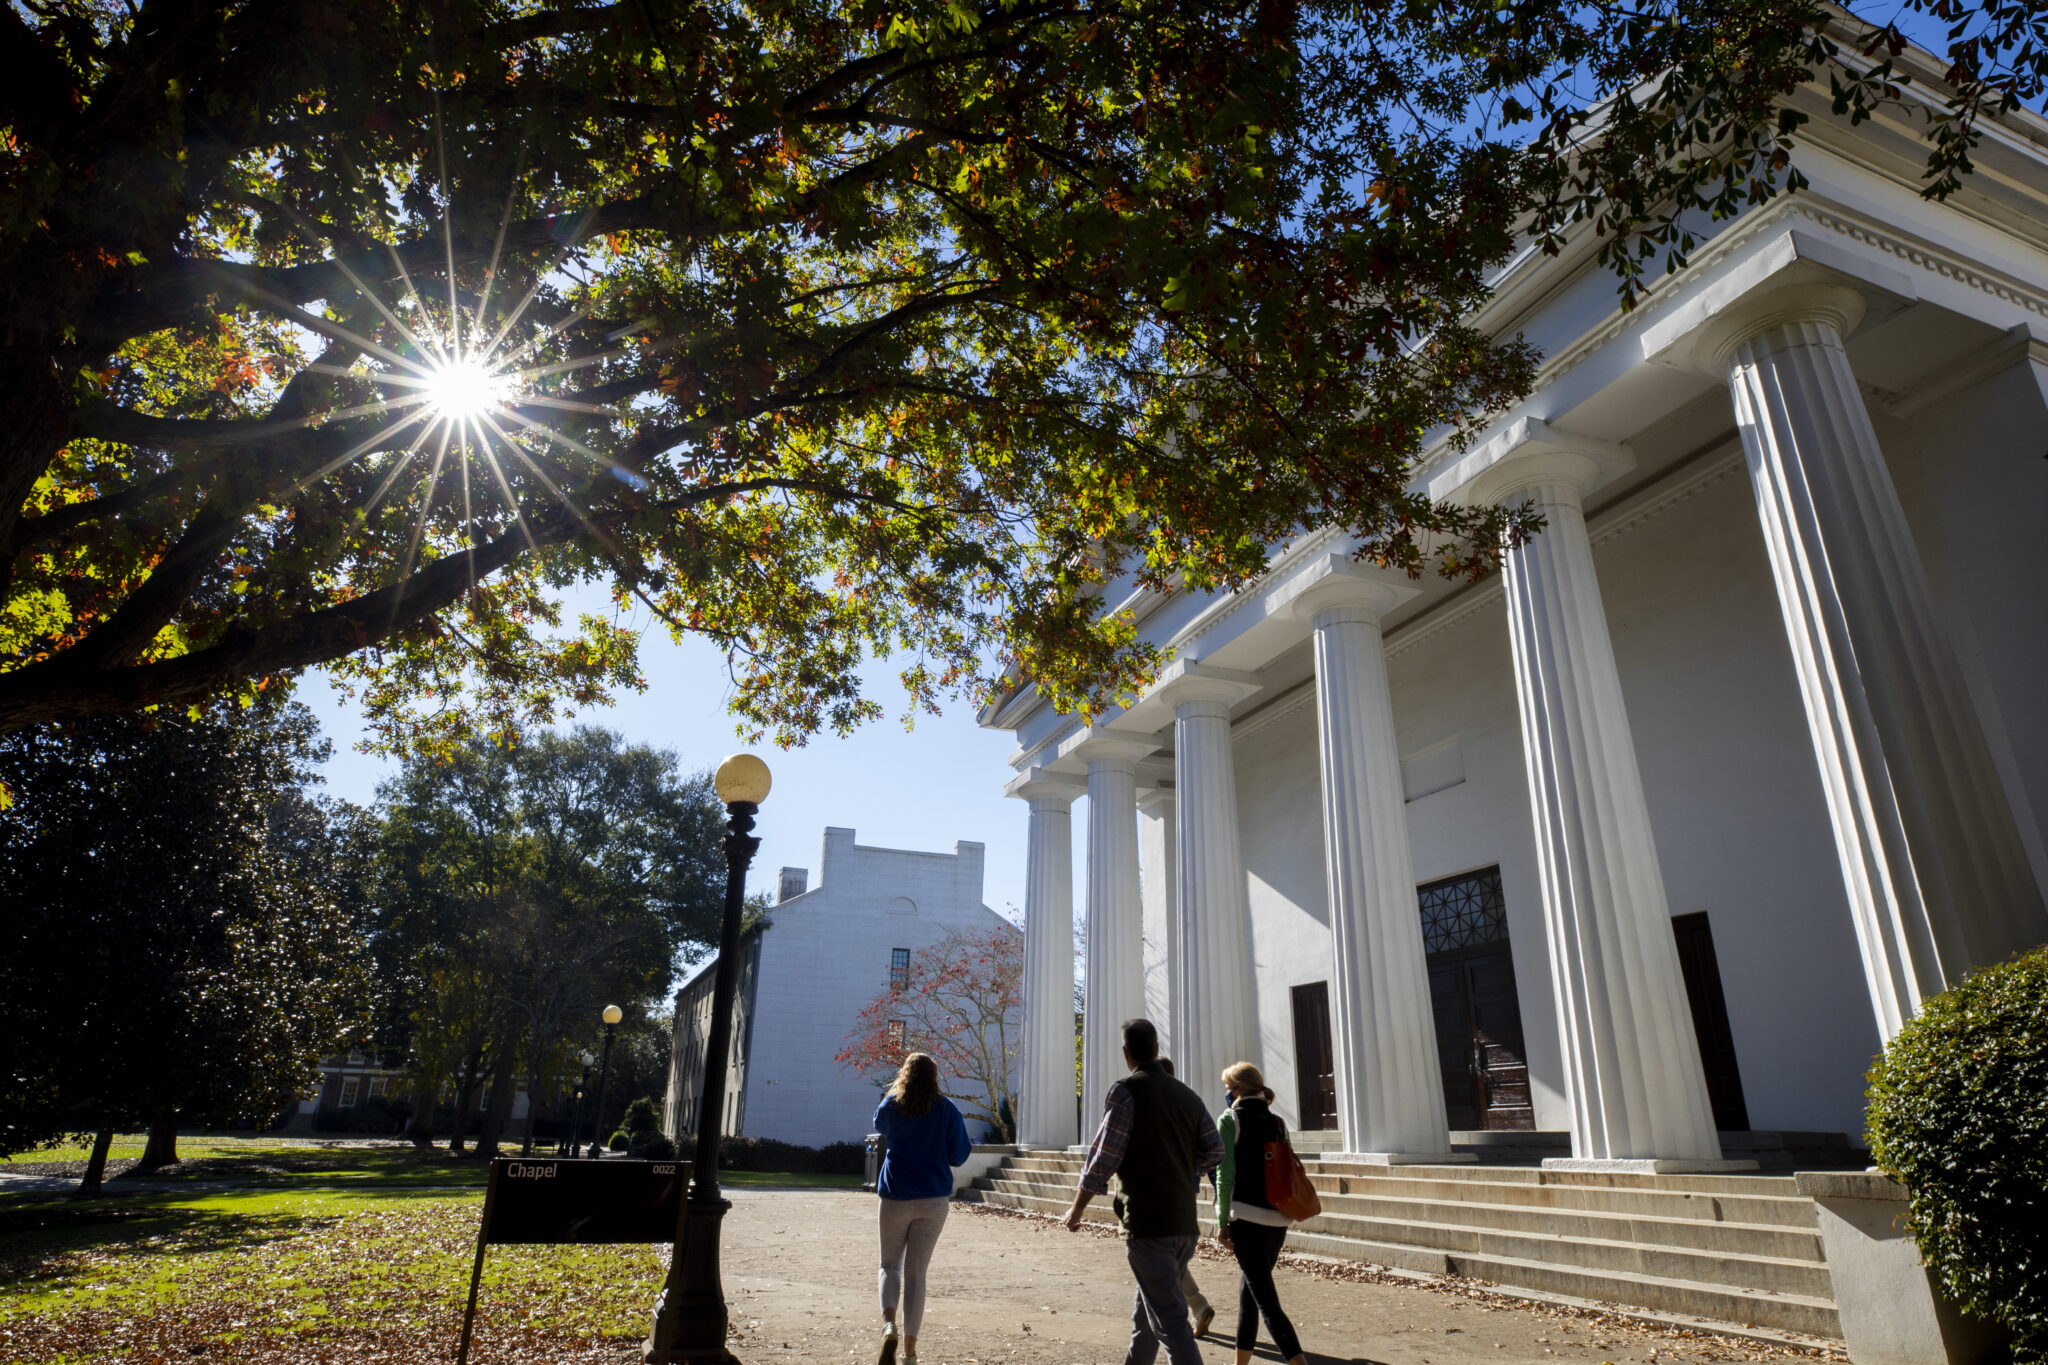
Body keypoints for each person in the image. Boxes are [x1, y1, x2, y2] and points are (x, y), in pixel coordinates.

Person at [1063, 1019, 1224, 1365]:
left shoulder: (1126, 1091)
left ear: (1126, 1053)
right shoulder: (1188, 1095)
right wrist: (1184, 1171)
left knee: (1169, 1323)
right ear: (1155, 1048)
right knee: (1147, 1317)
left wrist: (1077, 1208)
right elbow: (1215, 1150)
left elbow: (1103, 1157)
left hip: (1149, 1226)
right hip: (1184, 1225)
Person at [872, 1052, 972, 1365]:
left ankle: (889, 1326)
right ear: (934, 1077)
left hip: (896, 1195)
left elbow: (880, 1125)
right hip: (933, 1199)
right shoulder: (946, 1109)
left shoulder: (892, 1105)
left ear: (904, 1073)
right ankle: (910, 1354)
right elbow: (959, 1154)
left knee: (890, 1265)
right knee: (917, 1274)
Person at [1214, 1061, 1307, 1365]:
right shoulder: (1277, 1121)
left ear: (1238, 1089)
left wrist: (1222, 1219)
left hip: (1245, 1218)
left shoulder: (1229, 1119)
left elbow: (1224, 1174)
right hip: (1277, 1219)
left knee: (1267, 1303)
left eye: (1228, 1087)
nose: (1226, 1092)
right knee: (1250, 1295)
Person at [1157, 1057, 1215, 1338]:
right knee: (1167, 1258)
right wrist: (1195, 1170)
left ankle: (1190, 1311)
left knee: (1159, 1258)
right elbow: (1214, 1149)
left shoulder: (1162, 1106)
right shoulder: (1190, 1103)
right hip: (1185, 1190)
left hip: (1163, 1192)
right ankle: (1196, 1307)